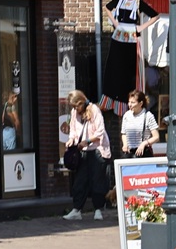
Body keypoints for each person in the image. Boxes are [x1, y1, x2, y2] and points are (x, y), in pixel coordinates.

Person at [62, 90, 113, 221]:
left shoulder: (94, 109)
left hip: (97, 149)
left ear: (82, 102)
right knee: (80, 180)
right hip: (83, 150)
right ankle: (77, 210)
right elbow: (73, 130)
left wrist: (88, 141)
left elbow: (100, 131)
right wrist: (71, 140)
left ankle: (98, 210)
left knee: (97, 180)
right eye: (73, 107)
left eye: (76, 106)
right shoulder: (74, 113)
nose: (75, 109)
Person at [122, 91, 160, 158]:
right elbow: (124, 133)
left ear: (140, 103)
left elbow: (156, 137)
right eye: (129, 102)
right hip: (129, 153)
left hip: (143, 153)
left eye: (133, 102)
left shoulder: (148, 116)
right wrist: (125, 145)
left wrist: (144, 143)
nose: (129, 104)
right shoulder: (126, 115)